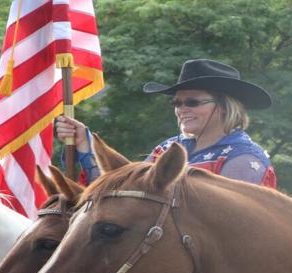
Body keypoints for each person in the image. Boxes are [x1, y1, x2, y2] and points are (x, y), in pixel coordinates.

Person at [56, 59, 276, 186]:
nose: (182, 109)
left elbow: (228, 226)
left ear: (225, 107)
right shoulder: (166, 149)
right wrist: (85, 145)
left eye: (192, 102)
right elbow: (125, 195)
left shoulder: (244, 157)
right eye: (176, 103)